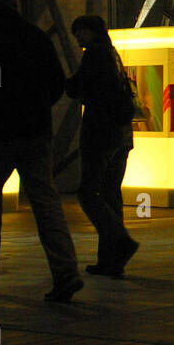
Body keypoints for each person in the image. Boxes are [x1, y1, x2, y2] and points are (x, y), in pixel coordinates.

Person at [0, 0, 83, 302]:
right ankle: (66, 271)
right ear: (15, 2)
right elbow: (57, 83)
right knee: (45, 200)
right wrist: (38, 105)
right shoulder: (35, 37)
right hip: (35, 130)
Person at [65, 16, 139, 277]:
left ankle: (120, 241)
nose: (77, 39)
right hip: (121, 133)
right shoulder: (112, 54)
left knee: (88, 192)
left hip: (101, 132)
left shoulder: (95, 54)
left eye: (79, 32)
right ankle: (111, 261)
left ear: (90, 32)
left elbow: (76, 88)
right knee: (110, 193)